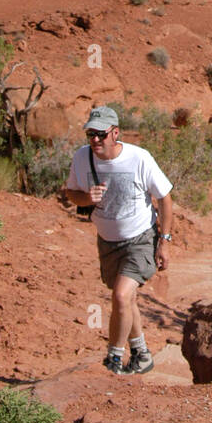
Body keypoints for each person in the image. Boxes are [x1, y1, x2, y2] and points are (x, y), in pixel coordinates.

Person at [66, 106, 174, 375]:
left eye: (101, 134)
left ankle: (114, 358)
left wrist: (165, 241)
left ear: (115, 133)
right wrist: (86, 198)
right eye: (90, 134)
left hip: (140, 239)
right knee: (126, 301)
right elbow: (71, 193)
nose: (95, 140)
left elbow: (164, 197)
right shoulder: (82, 158)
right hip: (107, 242)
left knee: (121, 295)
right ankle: (142, 354)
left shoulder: (139, 158)